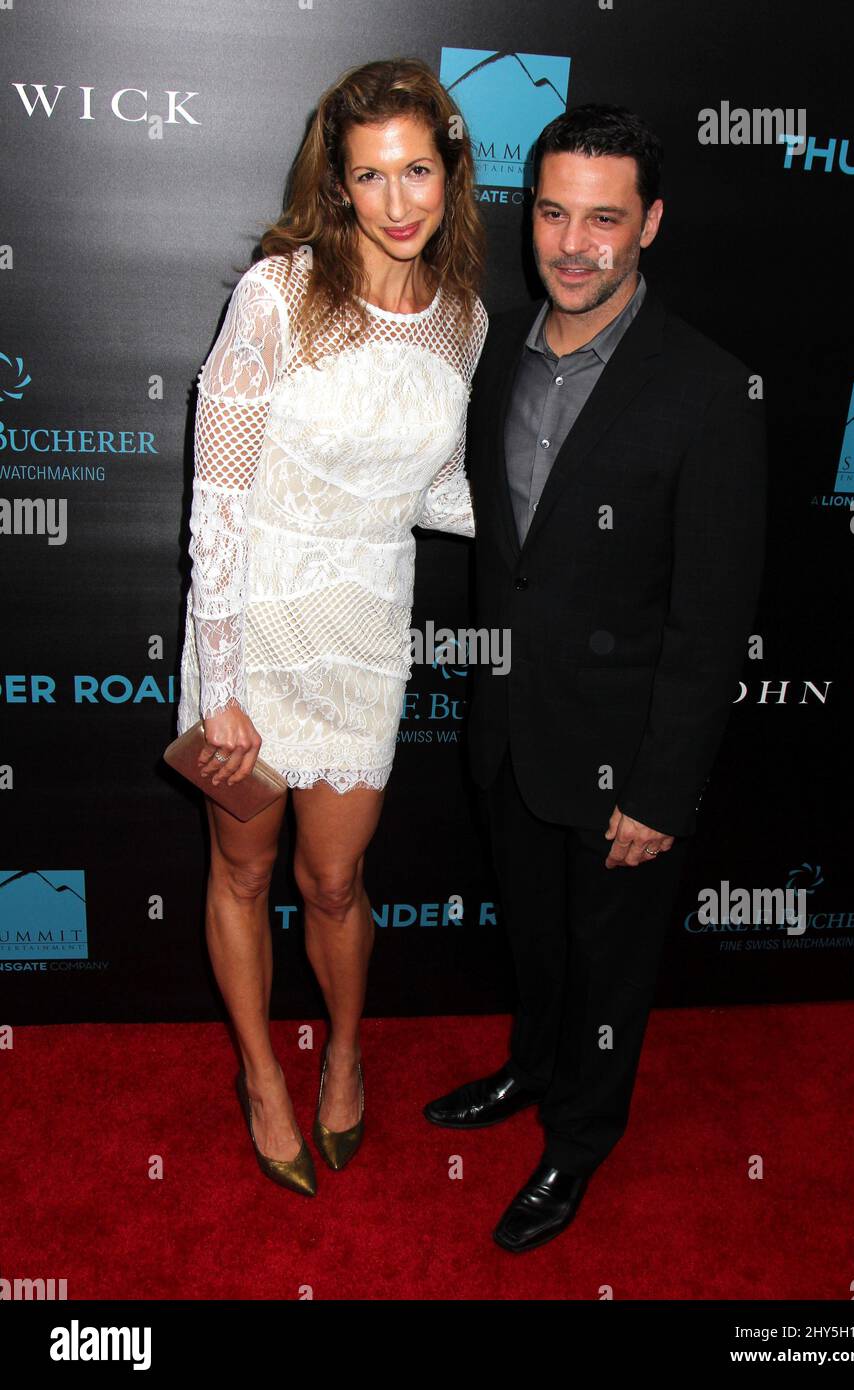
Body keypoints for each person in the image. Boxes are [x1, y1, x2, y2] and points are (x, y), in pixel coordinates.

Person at [424, 104, 767, 1251]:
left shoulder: (707, 389)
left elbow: (711, 618)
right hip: (511, 730)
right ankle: (529, 1067)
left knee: (609, 966)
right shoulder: (492, 351)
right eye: (555, 213)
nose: (573, 244)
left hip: (626, 759)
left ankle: (578, 1140)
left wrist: (662, 794)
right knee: (532, 939)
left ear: (652, 224)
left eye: (605, 220)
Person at [175, 57, 487, 1196]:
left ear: (451, 172)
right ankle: (262, 1072)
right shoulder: (277, 295)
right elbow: (217, 500)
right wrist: (220, 686)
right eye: (371, 177)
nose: (399, 201)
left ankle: (344, 1050)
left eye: (419, 171)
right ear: (338, 184)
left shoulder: (463, 319)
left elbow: (439, 490)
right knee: (243, 871)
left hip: (363, 623)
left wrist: (551, 507)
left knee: (338, 881)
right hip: (250, 632)